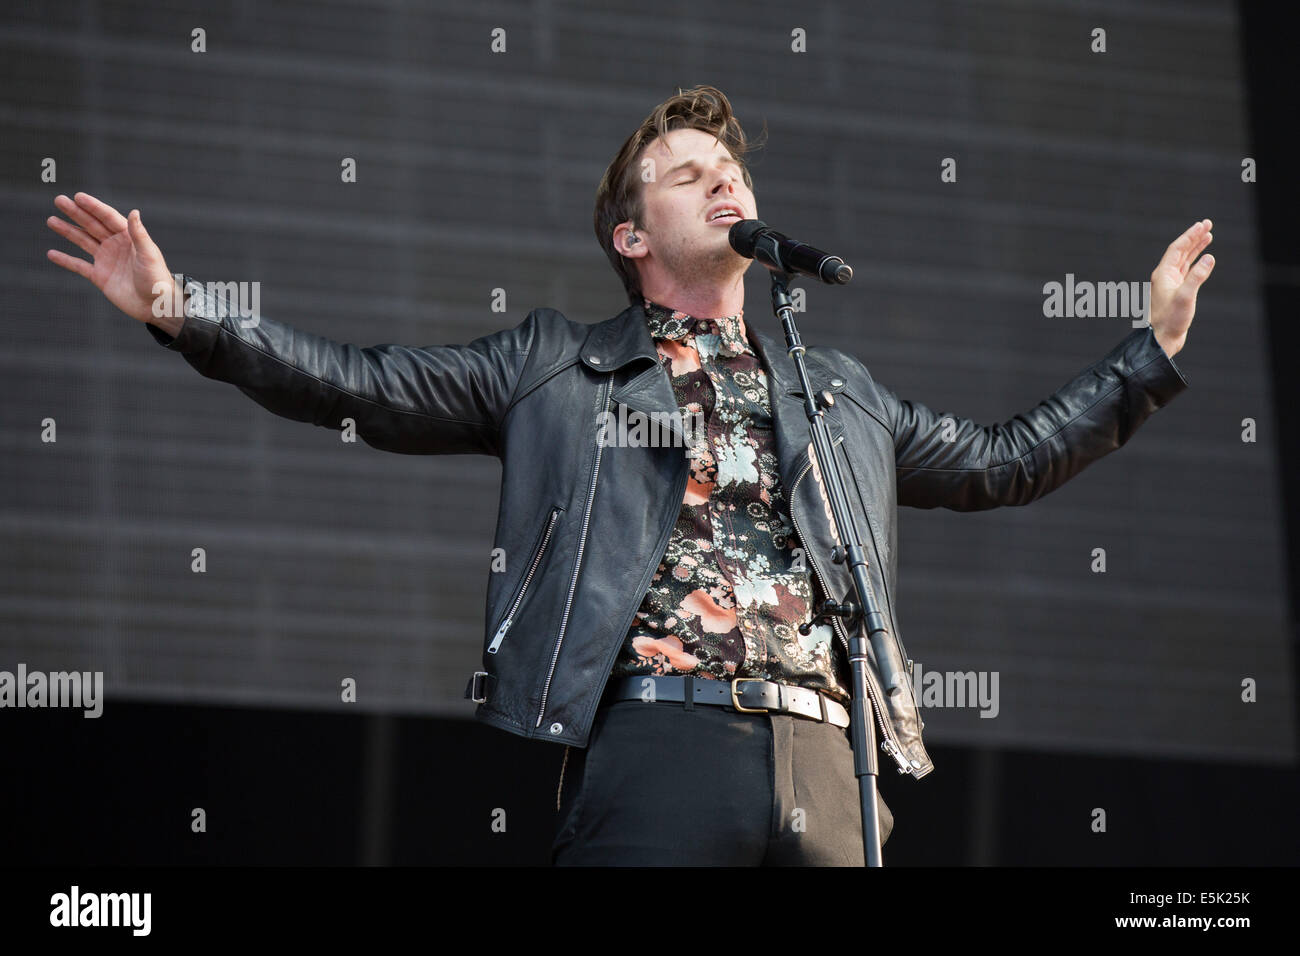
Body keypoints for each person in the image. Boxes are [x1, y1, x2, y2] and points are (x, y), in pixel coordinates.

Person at [45, 86, 1214, 866]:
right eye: (687, 173)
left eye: (731, 169)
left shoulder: (836, 387)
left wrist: (1146, 350)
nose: (723, 183)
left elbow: (1003, 461)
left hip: (829, 754)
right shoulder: (561, 363)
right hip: (662, 743)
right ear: (630, 233)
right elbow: (364, 383)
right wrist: (186, 316)